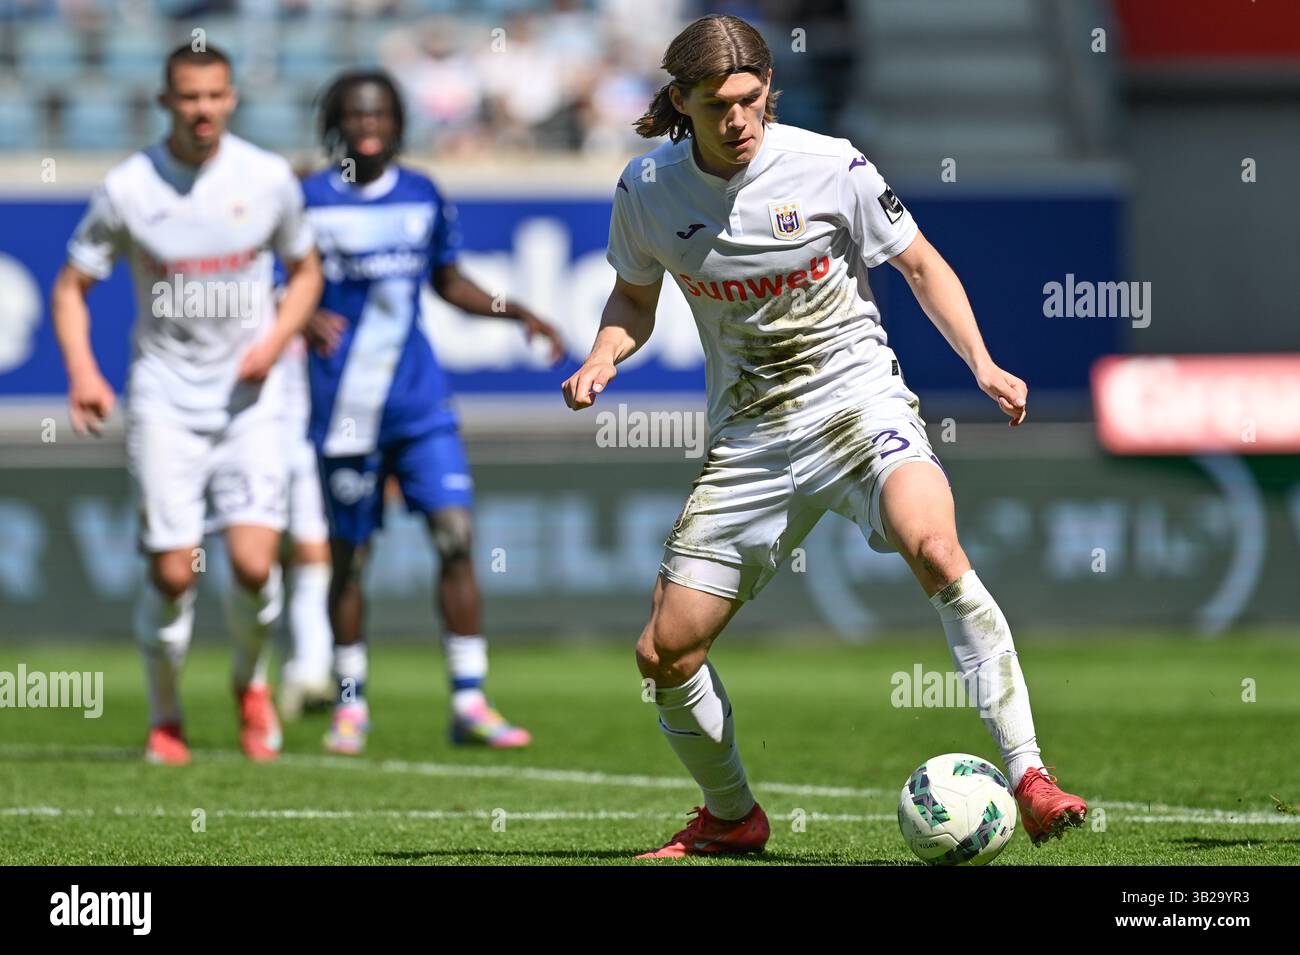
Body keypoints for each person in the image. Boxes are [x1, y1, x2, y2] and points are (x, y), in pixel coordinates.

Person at [562, 14, 1088, 858]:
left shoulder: (831, 163)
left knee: (936, 548)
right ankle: (732, 816)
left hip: (857, 405)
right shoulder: (648, 190)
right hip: (751, 440)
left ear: (768, 88)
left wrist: (983, 363)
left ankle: (1029, 775)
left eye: (749, 99)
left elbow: (919, 263)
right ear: (681, 104)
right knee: (664, 652)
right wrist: (602, 356)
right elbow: (634, 296)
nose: (737, 120)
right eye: (715, 105)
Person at [51, 44, 323, 764]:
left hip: (252, 400)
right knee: (174, 572)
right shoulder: (129, 187)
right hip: (167, 398)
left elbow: (306, 270)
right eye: (188, 97)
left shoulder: (265, 178)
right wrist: (83, 369)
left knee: (255, 564)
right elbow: (72, 285)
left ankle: (248, 683)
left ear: (231, 99)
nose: (202, 109)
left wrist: (277, 337)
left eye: (214, 96)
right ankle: (166, 714)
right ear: (165, 102)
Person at [304, 70, 565, 753]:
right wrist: (301, 317)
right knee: (351, 557)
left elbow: (448, 281)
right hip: (345, 408)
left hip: (420, 403)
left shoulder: (422, 194)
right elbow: (280, 284)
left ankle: (470, 699)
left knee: (454, 534)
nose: (369, 123)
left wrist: (518, 310)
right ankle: (351, 703)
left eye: (381, 112)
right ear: (337, 121)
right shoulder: (308, 200)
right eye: (356, 112)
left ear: (397, 122)